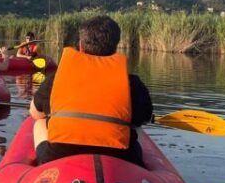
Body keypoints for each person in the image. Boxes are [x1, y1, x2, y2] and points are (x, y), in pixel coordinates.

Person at [29, 15, 153, 167]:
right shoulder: (132, 83)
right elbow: (144, 118)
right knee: (136, 127)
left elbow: (35, 113)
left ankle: (45, 170)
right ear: (115, 47)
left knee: (40, 122)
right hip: (120, 159)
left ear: (80, 46)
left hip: (58, 157)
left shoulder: (58, 78)